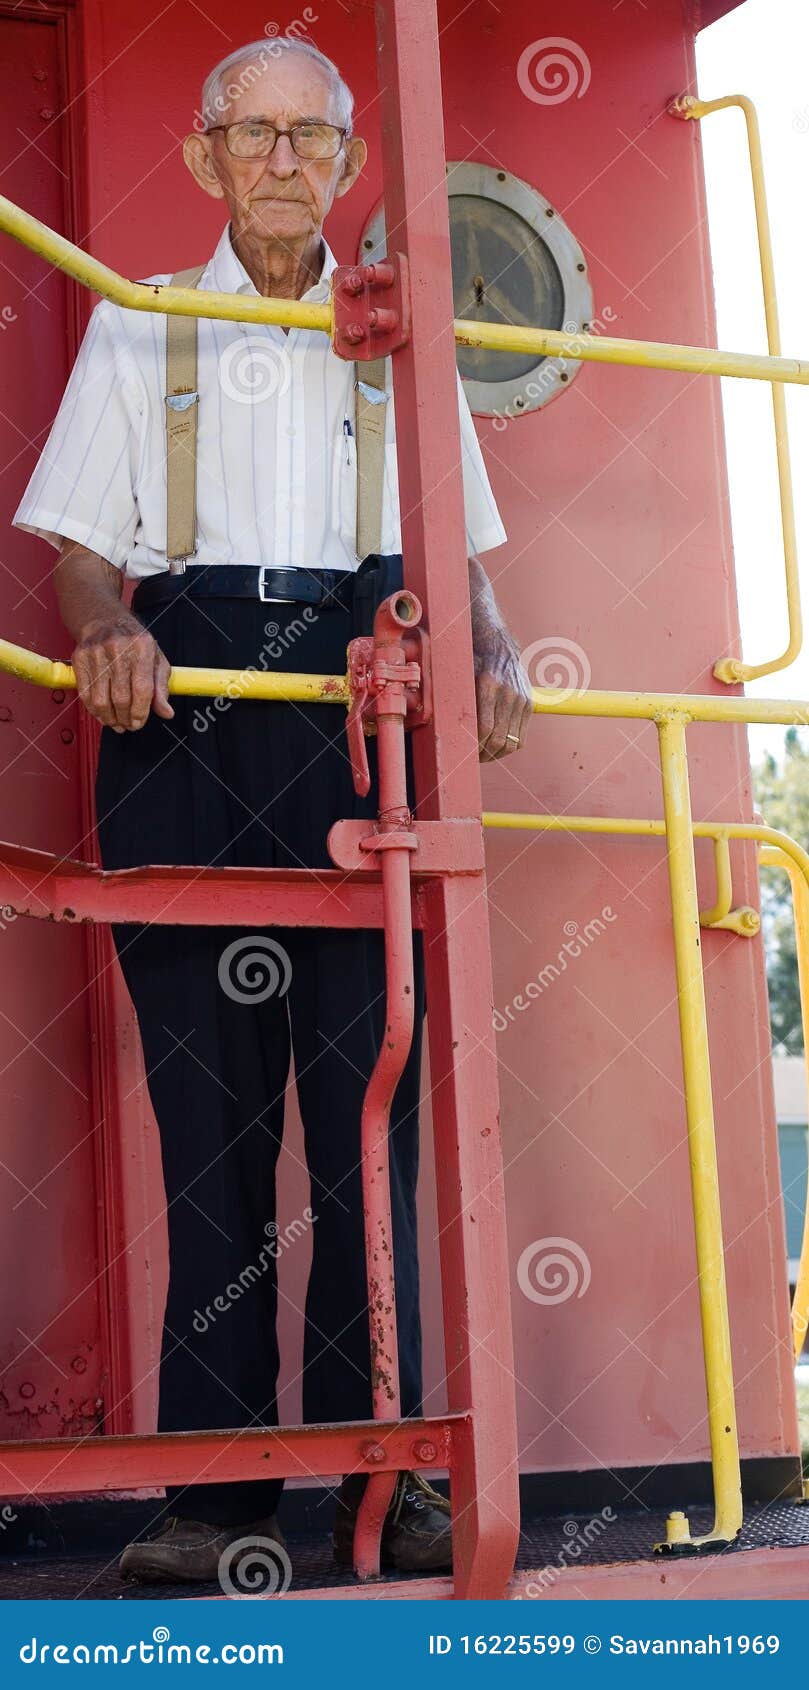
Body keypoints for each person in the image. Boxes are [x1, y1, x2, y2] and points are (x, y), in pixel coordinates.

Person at [14, 36, 532, 1585]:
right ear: (202, 157)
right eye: (253, 136)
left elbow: (464, 567)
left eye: (314, 138)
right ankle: (220, 1496)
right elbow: (83, 547)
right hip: (183, 715)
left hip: (359, 722)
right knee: (209, 1121)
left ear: (354, 160)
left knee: (374, 1105)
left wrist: (495, 653)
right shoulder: (136, 325)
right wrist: (105, 625)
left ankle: (399, 1480)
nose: (286, 164)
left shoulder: (399, 330)